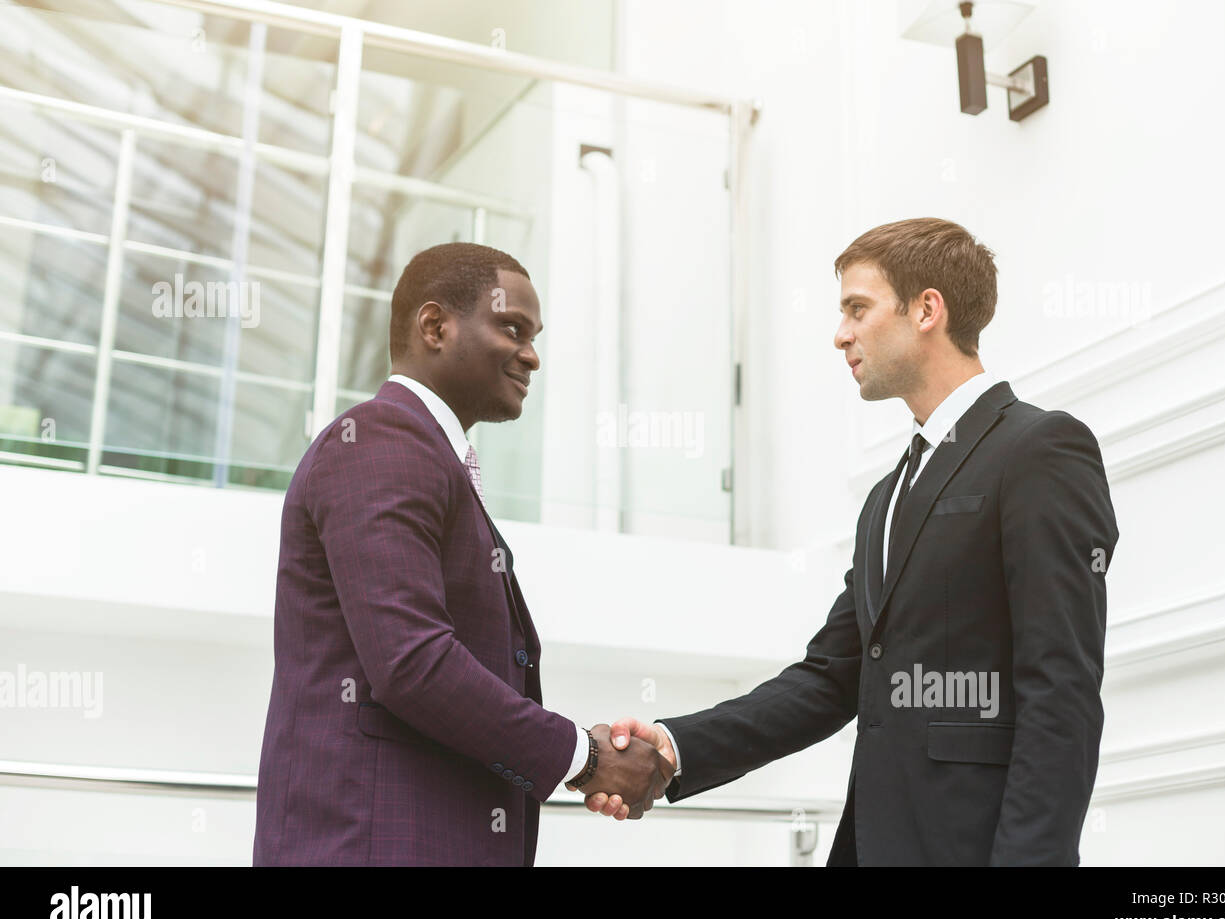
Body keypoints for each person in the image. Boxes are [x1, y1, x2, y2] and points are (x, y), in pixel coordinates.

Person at [584, 218, 1121, 866]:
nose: (841, 335)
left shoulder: (1040, 449)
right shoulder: (886, 498)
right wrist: (673, 747)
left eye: (857, 309)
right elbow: (830, 681)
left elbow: (1060, 689)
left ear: (927, 309)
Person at [253, 242, 672, 866]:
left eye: (533, 335)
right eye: (512, 328)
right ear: (435, 326)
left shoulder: (426, 456)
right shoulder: (380, 439)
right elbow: (413, 663)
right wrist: (585, 758)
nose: (531, 354)